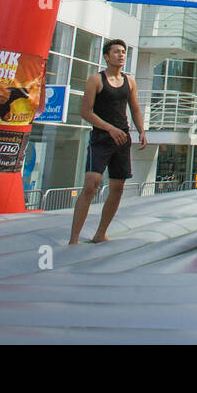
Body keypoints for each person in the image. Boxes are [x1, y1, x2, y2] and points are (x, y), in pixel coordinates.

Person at [69, 39, 147, 244]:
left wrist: (141, 130)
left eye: (123, 52)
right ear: (106, 56)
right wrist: (109, 128)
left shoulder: (129, 81)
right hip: (102, 137)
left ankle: (100, 233)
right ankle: (74, 238)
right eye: (116, 52)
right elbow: (86, 112)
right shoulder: (96, 79)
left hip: (122, 138)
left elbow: (135, 108)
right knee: (91, 185)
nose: (121, 55)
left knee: (118, 187)